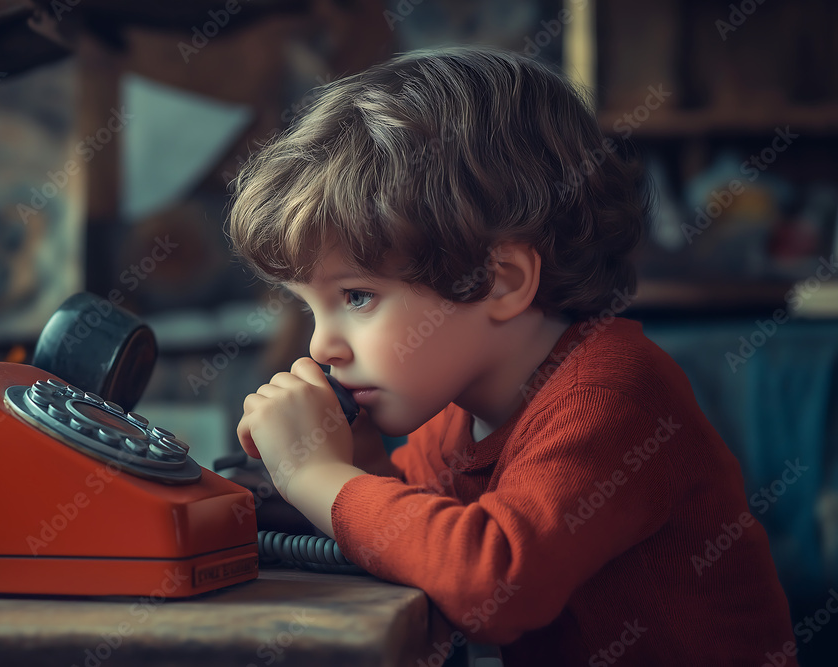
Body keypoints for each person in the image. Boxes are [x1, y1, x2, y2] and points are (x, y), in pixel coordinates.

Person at [228, 46, 796, 665]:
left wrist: (316, 480)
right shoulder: (456, 413)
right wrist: (346, 469)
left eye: (357, 296)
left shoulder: (612, 398)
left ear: (499, 281)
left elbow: (491, 585)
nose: (320, 345)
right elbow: (417, 540)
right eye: (311, 307)